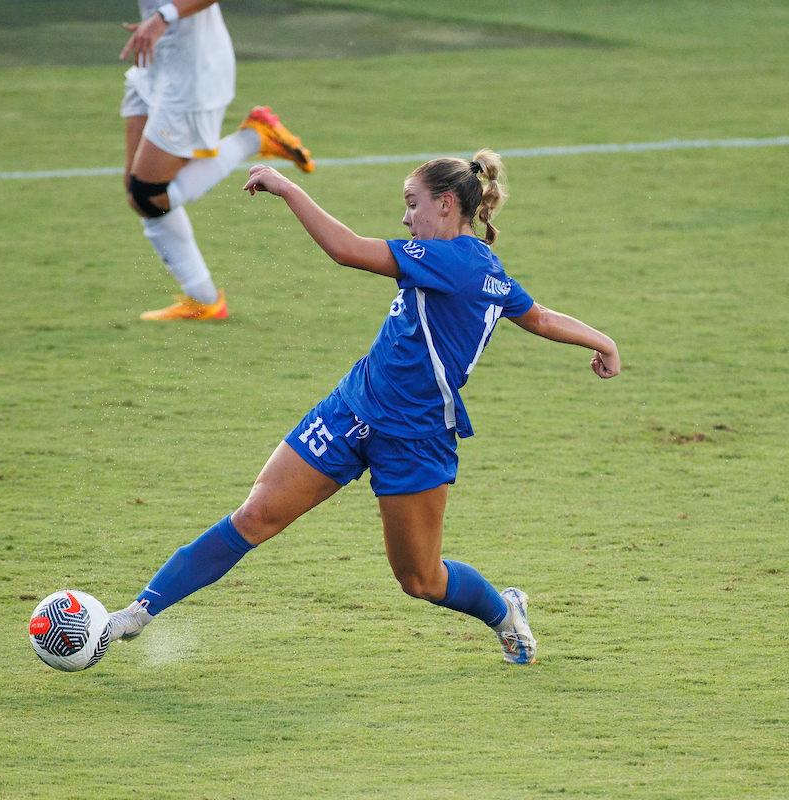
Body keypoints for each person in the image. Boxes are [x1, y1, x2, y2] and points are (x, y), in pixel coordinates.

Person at [107, 150, 621, 663]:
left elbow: (347, 250)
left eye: (411, 203)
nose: (405, 218)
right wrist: (603, 341)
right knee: (256, 514)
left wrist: (287, 189)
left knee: (421, 579)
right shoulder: (483, 268)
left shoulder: (451, 261)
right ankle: (136, 613)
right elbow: (542, 318)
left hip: (414, 439)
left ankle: (505, 611)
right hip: (352, 407)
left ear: (445, 205)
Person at [119, 0, 314, 320]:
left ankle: (255, 136)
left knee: (147, 195)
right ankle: (204, 300)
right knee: (137, 192)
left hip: (192, 71)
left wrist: (162, 18)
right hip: (153, 62)